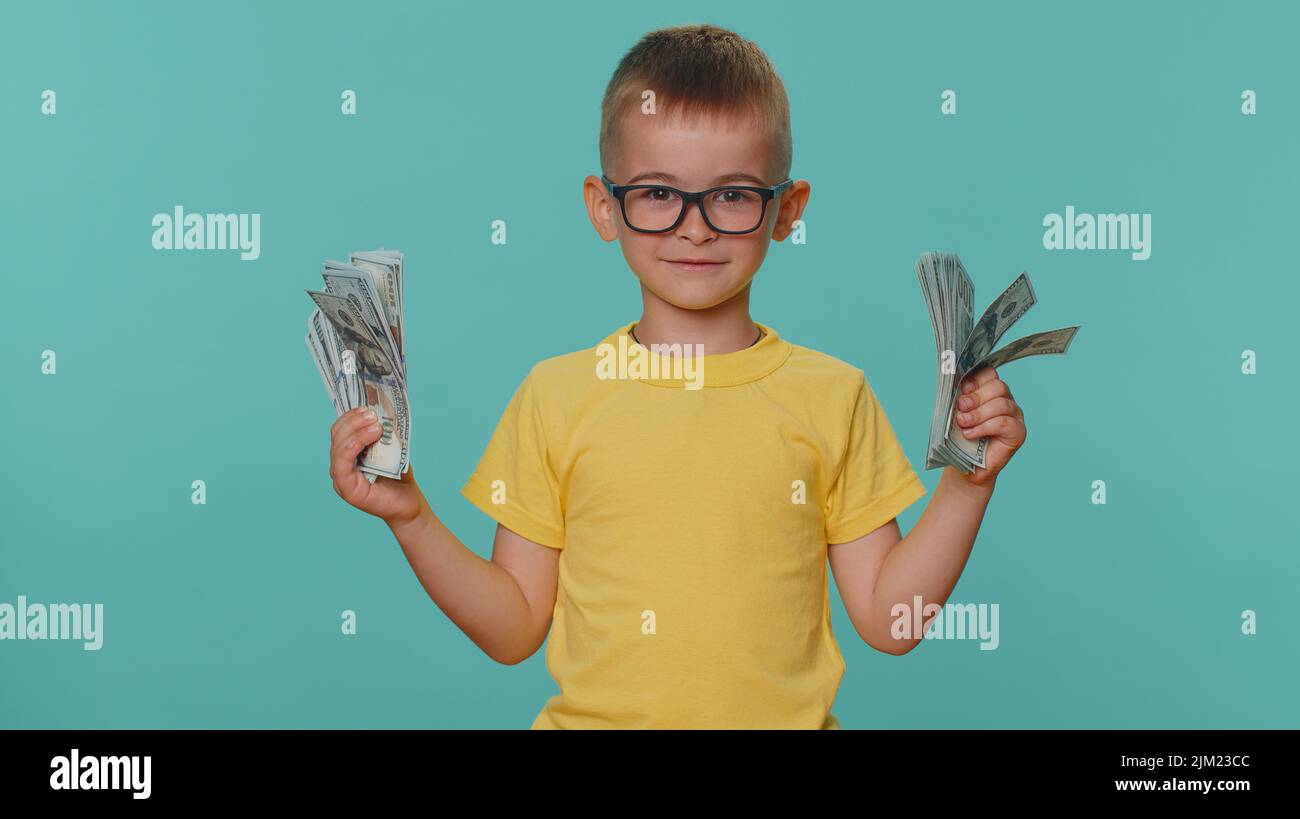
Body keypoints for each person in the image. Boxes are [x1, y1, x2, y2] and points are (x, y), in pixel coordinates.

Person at [326, 23, 1027, 729]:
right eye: (659, 194)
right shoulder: (555, 396)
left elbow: (889, 620)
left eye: (733, 196)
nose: (695, 228)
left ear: (786, 210)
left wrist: (969, 484)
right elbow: (513, 629)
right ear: (605, 207)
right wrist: (410, 514)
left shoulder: (834, 396)